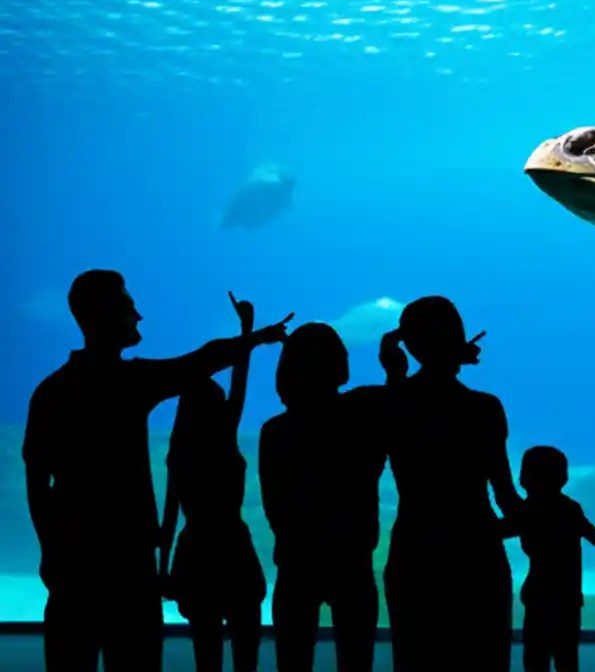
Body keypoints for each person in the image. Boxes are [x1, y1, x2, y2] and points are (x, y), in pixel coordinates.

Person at [23, 269, 291, 672]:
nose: (138, 316)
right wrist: (255, 337)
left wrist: (50, 551)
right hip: (128, 569)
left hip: (74, 565)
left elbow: (37, 483)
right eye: (129, 306)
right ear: (105, 313)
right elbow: (201, 361)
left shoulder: (51, 391)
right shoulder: (131, 382)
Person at [380, 296, 522, 671]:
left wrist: (394, 371)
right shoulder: (484, 408)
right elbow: (507, 498)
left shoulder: (391, 403)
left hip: (415, 552)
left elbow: (400, 402)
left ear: (409, 346)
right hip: (478, 557)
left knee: (417, 659)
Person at [258, 322, 389, 672]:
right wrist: (397, 368)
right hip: (353, 558)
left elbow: (274, 505)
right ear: (340, 365)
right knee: (357, 660)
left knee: (293, 659)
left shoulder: (275, 431)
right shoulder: (365, 412)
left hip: (296, 559)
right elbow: (406, 398)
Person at [158, 293, 268, 672]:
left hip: (194, 555)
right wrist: (247, 330)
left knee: (206, 656)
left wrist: (163, 570)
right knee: (246, 654)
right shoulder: (225, 433)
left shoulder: (179, 452)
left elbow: (169, 521)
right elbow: (240, 384)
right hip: (233, 550)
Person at [500, 446, 595, 672]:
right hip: (568, 597)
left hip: (539, 596)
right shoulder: (570, 508)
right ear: (562, 477)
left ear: (526, 479)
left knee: (536, 659)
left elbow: (499, 529)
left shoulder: (530, 510)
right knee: (567, 659)